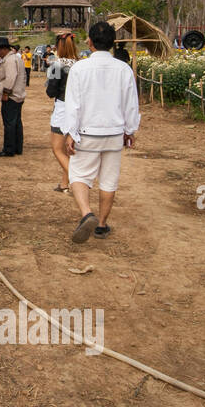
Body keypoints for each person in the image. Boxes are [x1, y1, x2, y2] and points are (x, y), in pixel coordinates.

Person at [60, 21, 140, 242]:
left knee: (78, 175)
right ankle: (102, 225)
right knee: (108, 180)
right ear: (113, 43)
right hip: (114, 134)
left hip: (87, 133)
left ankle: (87, 214)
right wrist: (130, 130)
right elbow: (131, 104)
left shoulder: (79, 69)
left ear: (90, 42)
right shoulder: (124, 69)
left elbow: (73, 105)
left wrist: (70, 133)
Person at [45, 32, 79, 193]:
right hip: (78, 109)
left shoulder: (57, 65)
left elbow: (50, 92)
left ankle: (76, 180)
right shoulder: (80, 64)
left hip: (62, 108)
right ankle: (64, 183)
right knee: (68, 149)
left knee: (57, 148)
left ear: (59, 46)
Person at [0, 36, 26, 157]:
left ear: (3, 49)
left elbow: (10, 78)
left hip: (11, 96)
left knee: (9, 123)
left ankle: (9, 149)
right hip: (18, 95)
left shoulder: (10, 60)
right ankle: (17, 147)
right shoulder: (15, 58)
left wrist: (6, 93)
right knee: (16, 122)